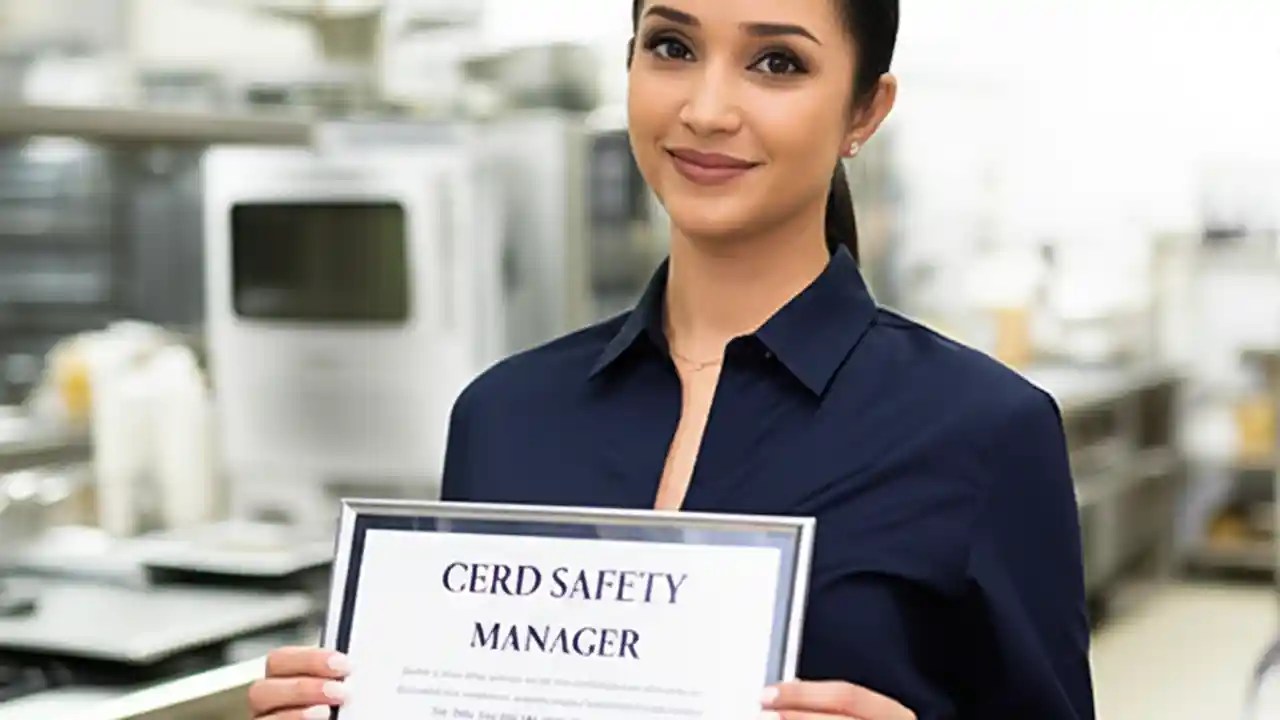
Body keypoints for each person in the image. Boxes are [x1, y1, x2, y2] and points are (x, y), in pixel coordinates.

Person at [247, 0, 1096, 718]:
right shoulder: (502, 415)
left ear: (864, 112)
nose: (707, 108)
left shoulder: (983, 431)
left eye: (776, 62)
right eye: (672, 47)